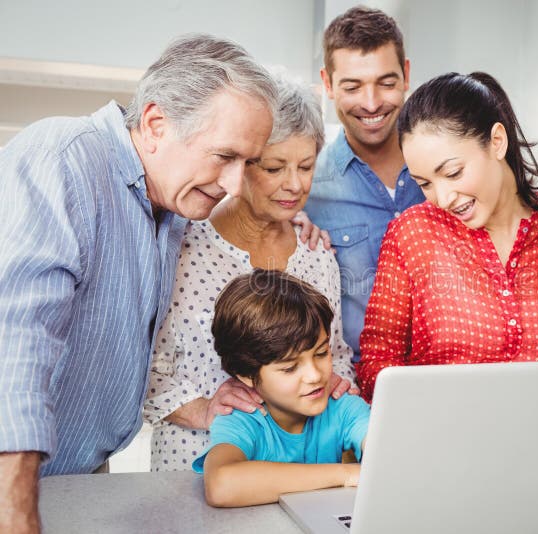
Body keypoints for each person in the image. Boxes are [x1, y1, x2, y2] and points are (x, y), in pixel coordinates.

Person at [0, 34, 279, 532]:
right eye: (224, 156)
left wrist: (291, 221)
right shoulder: (65, 157)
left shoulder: (173, 209)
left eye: (249, 163)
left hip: (75, 476)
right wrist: (16, 508)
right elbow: (17, 336)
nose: (237, 184)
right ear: (155, 124)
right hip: (12, 481)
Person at [145, 76, 355, 471]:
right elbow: (138, 363)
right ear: (239, 163)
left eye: (306, 166)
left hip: (299, 471)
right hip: (192, 460)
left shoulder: (316, 254)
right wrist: (204, 410)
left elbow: (337, 355)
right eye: (275, 168)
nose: (293, 185)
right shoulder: (181, 243)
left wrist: (340, 385)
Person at [357, 72, 538, 401]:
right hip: (439, 439)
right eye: (425, 184)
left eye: (453, 172)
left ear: (497, 141)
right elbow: (377, 363)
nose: (443, 198)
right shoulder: (412, 233)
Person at [304, 6, 425, 361]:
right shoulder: (307, 190)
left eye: (386, 83)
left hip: (453, 377)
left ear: (405, 74)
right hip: (353, 387)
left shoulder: (451, 175)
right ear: (327, 84)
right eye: (352, 87)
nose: (371, 104)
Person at [194, 270, 370, 507]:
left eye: (321, 353)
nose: (315, 375)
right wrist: (346, 474)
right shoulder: (243, 419)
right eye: (289, 368)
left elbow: (390, 454)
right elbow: (221, 485)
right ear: (246, 374)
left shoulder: (342, 405)